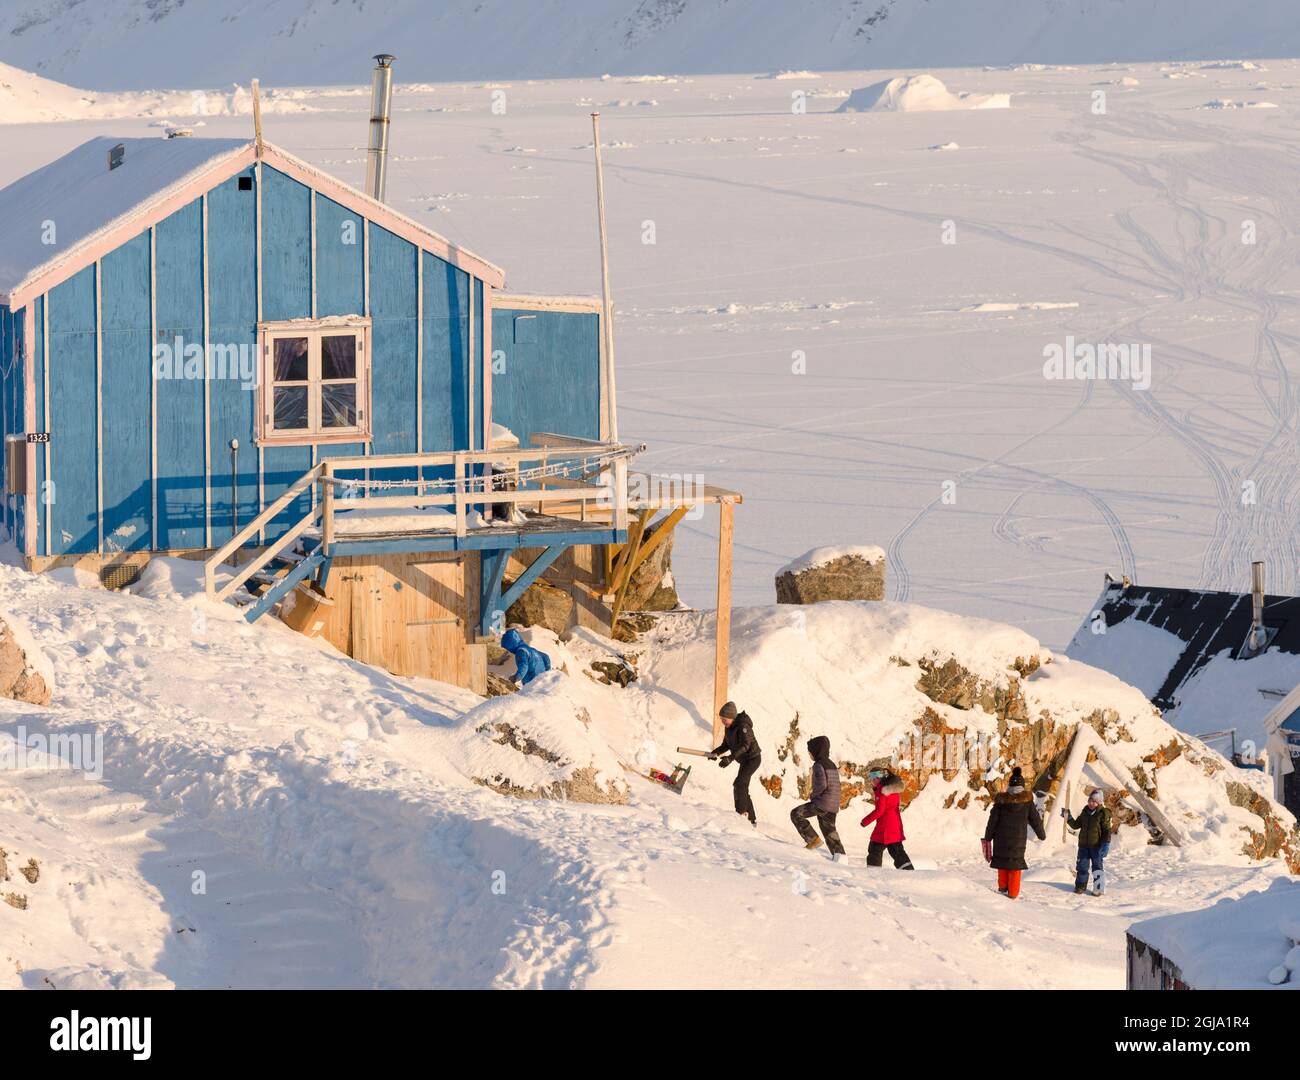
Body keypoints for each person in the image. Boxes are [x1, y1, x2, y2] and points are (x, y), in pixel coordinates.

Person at [982, 766, 1046, 899]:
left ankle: (1002, 887)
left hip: (1001, 840)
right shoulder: (1027, 803)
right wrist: (1041, 834)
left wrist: (988, 837)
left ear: (1009, 786)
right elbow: (1036, 821)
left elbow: (992, 821)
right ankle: (1013, 893)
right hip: (1018, 841)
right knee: (1014, 866)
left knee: (1002, 863)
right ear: (1022, 786)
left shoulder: (1000, 802)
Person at [790, 736, 846, 859]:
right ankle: (840, 856)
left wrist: (814, 796)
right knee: (829, 832)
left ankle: (813, 839)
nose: (810, 755)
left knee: (796, 814)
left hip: (822, 802)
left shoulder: (818, 765)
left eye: (810, 752)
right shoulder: (831, 764)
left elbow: (821, 784)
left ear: (817, 751)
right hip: (833, 805)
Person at [710, 701, 761, 826]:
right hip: (744, 760)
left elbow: (746, 745)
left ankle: (742, 814)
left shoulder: (743, 726)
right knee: (740, 786)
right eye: (722, 719)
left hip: (752, 759)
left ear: (732, 717)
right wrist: (716, 752)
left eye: (725, 719)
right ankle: (751, 820)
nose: (723, 722)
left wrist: (730, 758)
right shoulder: (729, 728)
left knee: (739, 784)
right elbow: (726, 745)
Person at [860, 769, 913, 869]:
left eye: (872, 778)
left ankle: (873, 872)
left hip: (886, 827)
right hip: (893, 825)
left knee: (875, 848)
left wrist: (864, 821)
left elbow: (880, 810)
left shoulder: (883, 791)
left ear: (878, 778)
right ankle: (908, 871)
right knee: (896, 851)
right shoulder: (890, 788)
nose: (871, 781)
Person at [1062, 789, 1111, 896]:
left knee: (1097, 867)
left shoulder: (1103, 814)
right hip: (1083, 846)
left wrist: (1106, 844)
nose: (1091, 803)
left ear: (1099, 802)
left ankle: (1098, 889)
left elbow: (1107, 830)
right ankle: (1080, 887)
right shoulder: (1085, 812)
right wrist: (1068, 817)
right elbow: (1076, 825)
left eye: (1094, 801)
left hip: (1096, 846)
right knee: (1082, 867)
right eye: (1090, 801)